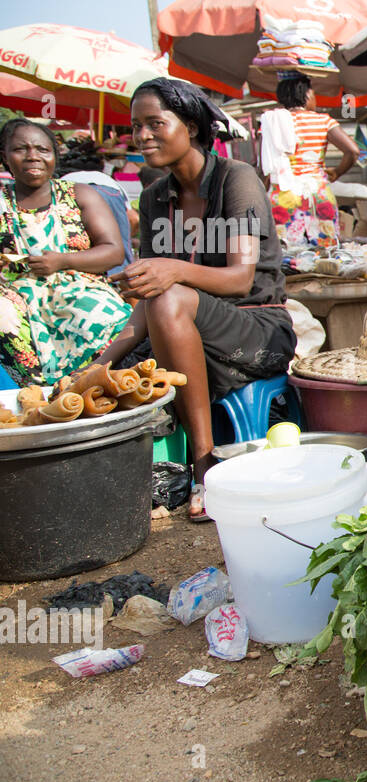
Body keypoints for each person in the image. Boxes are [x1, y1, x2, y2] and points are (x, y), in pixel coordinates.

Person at [93, 78, 296, 521]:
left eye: (155, 123)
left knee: (168, 300)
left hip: (256, 326)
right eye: (136, 127)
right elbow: (149, 298)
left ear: (189, 125)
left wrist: (173, 270)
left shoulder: (235, 179)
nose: (142, 136)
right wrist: (98, 363)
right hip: (186, 329)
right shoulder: (153, 198)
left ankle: (204, 463)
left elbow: (241, 279)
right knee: (114, 380)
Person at [0, 119, 130, 386]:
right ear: (4, 157)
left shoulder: (79, 195)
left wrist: (61, 261)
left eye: (42, 149)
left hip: (78, 292)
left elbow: (114, 252)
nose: (33, 156)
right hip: (16, 301)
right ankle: (37, 401)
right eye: (21, 149)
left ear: (54, 156)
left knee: (109, 321)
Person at [261, 71, 360, 248]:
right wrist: (337, 172)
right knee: (324, 255)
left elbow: (264, 166)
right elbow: (352, 151)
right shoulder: (323, 121)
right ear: (306, 95)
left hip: (283, 195)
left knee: (286, 256)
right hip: (318, 195)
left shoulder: (273, 121)